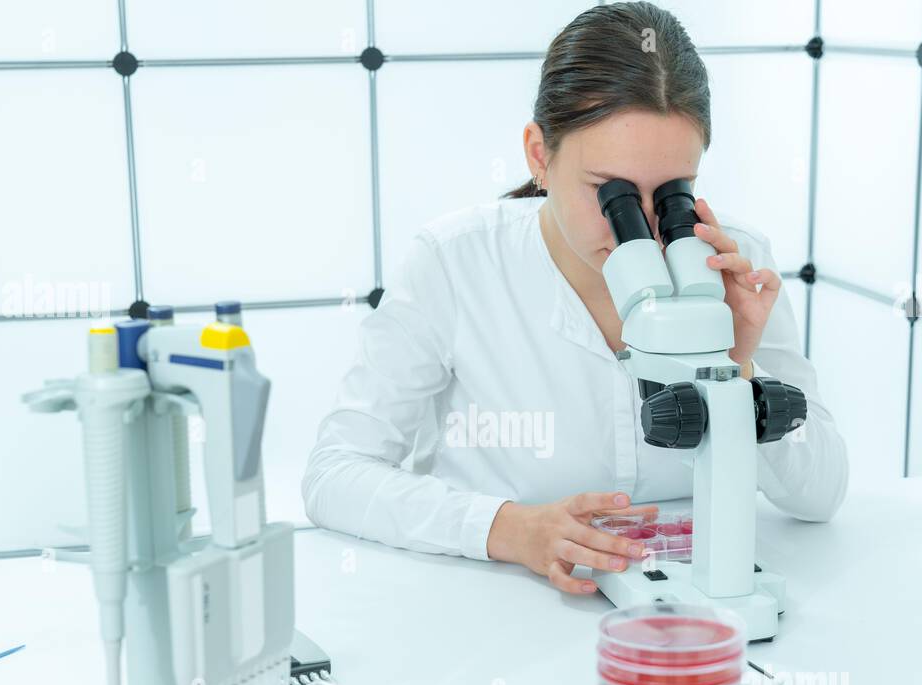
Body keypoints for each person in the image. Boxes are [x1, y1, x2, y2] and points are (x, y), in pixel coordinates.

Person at [303, 1, 847, 595]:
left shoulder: (737, 265)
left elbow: (821, 496)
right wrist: (510, 529)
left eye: (672, 193)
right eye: (608, 192)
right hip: (497, 609)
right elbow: (334, 474)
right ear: (540, 154)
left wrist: (737, 370)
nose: (637, 226)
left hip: (691, 616)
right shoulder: (455, 261)